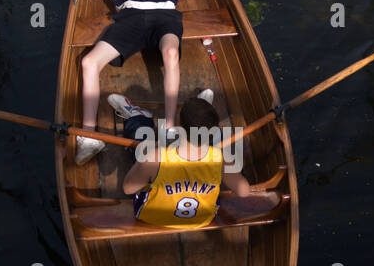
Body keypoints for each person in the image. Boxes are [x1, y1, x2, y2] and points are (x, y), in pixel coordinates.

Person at [63, 0, 242, 163]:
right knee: (89, 62)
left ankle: (170, 127)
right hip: (131, 16)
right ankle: (90, 137)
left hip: (165, 15)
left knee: (170, 52)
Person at [108, 90, 280, 228]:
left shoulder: (155, 157)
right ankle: (203, 111)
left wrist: (142, 159)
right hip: (202, 220)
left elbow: (128, 189)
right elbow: (243, 191)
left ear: (178, 127)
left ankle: (136, 116)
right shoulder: (219, 158)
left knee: (141, 136)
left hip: (152, 218)